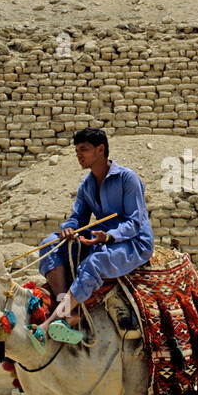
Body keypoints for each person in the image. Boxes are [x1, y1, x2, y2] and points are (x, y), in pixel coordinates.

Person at [41, 128, 154, 343]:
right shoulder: (87, 185)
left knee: (95, 261)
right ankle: (66, 310)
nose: (78, 155)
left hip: (133, 242)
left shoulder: (127, 179)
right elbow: (78, 218)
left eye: (84, 149)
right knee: (50, 244)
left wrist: (110, 236)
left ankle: (49, 323)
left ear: (100, 149)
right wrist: (69, 228)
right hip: (100, 239)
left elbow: (135, 221)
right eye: (76, 150)